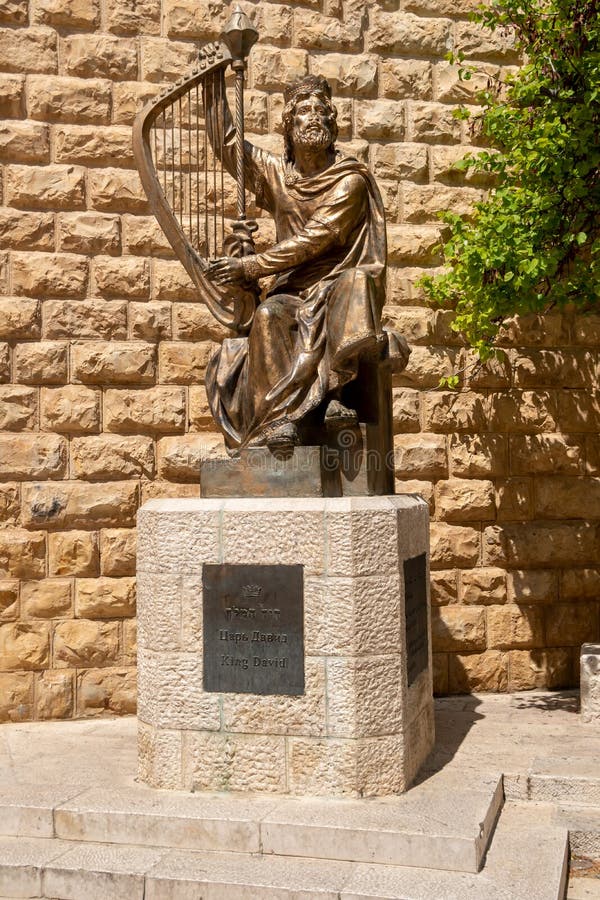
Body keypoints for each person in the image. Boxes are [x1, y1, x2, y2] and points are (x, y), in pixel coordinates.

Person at [204, 73, 388, 454]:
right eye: (304, 111)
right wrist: (212, 88)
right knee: (270, 314)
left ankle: (336, 392)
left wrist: (251, 266)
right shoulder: (275, 174)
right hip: (292, 291)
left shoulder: (349, 180)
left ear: (333, 124)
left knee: (354, 285)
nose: (315, 117)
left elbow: (318, 238)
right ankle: (281, 420)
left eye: (322, 111)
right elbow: (228, 147)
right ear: (289, 125)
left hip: (335, 285)